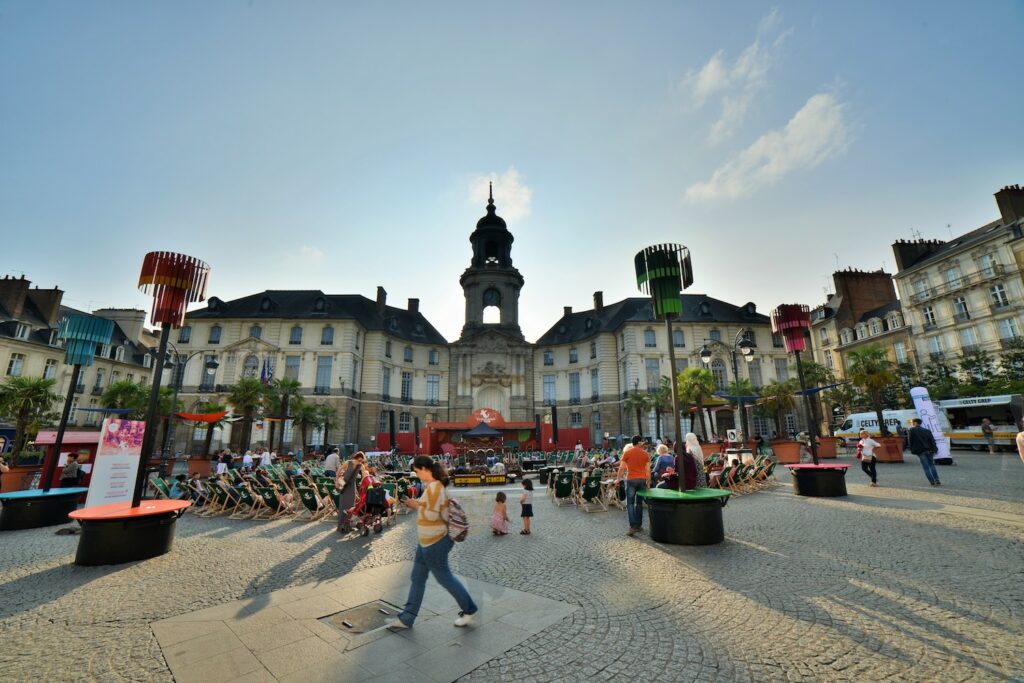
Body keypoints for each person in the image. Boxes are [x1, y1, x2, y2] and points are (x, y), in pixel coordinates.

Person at [387, 455, 478, 630]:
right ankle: (407, 618)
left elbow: (432, 515)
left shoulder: (435, 488)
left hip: (435, 541)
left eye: (417, 471)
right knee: (418, 577)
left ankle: (470, 609)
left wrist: (416, 506)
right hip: (427, 541)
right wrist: (418, 504)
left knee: (444, 577)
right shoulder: (432, 487)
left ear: (425, 470)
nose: (417, 474)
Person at [614, 436, 650, 536]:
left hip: (631, 479)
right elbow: (648, 470)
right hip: (642, 480)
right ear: (638, 442)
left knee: (630, 503)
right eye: (642, 442)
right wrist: (648, 483)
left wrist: (618, 479)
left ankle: (633, 526)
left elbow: (622, 468)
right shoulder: (645, 454)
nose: (643, 443)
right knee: (639, 503)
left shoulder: (627, 453)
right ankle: (638, 525)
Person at [335, 451, 365, 531]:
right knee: (343, 505)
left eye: (361, 460)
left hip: (352, 486)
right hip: (344, 484)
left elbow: (364, 475)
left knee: (351, 505)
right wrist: (337, 481)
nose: (359, 462)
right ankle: (340, 525)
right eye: (358, 460)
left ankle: (348, 525)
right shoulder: (348, 462)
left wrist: (363, 483)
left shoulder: (361, 465)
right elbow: (339, 470)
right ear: (355, 458)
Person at [908, 418, 941, 486]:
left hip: (920, 451)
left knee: (926, 467)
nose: (912, 424)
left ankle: (932, 481)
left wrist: (912, 449)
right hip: (929, 450)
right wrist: (935, 449)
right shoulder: (927, 430)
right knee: (931, 465)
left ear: (915, 423)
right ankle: (937, 479)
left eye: (912, 423)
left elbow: (910, 441)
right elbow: (932, 440)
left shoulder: (912, 430)